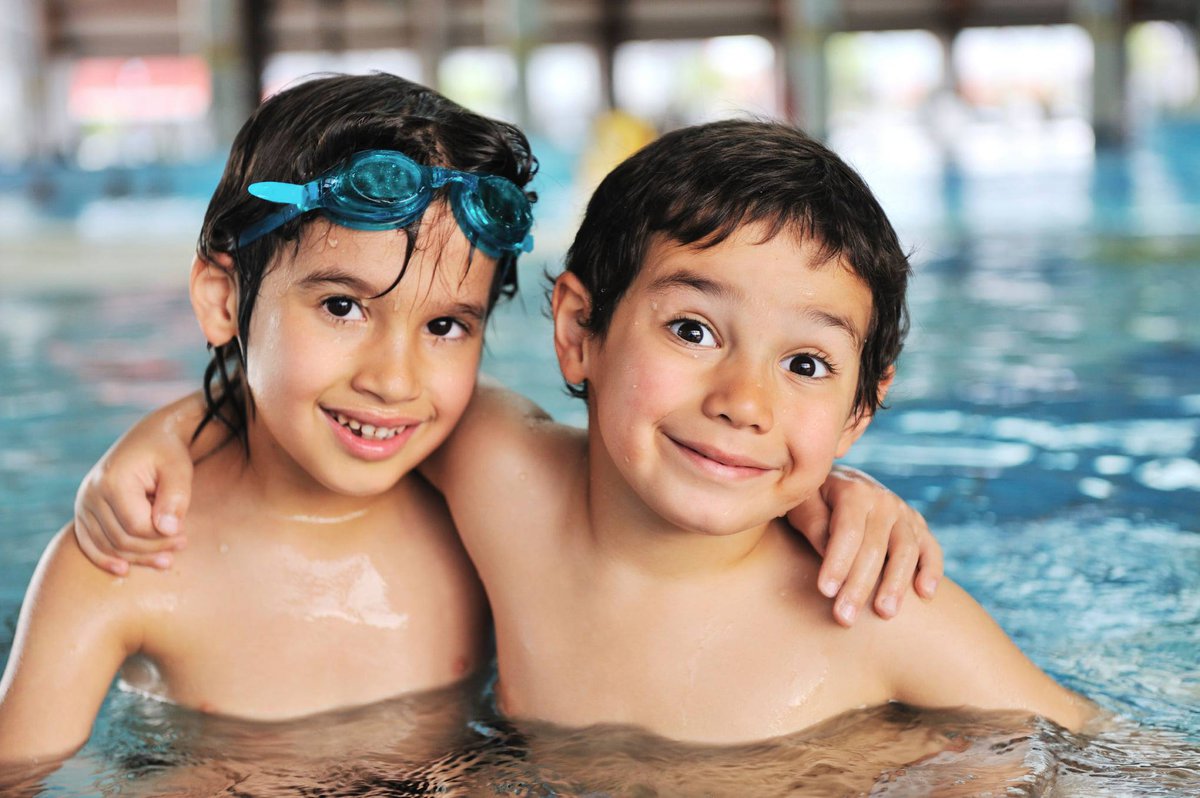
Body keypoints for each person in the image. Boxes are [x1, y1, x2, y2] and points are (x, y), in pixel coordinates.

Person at [0, 75, 937, 765]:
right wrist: (165, 434)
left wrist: (834, 491)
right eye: (341, 306)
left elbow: (690, 480)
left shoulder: (478, 478)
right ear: (221, 298)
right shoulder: (121, 564)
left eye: (447, 325)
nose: (393, 378)